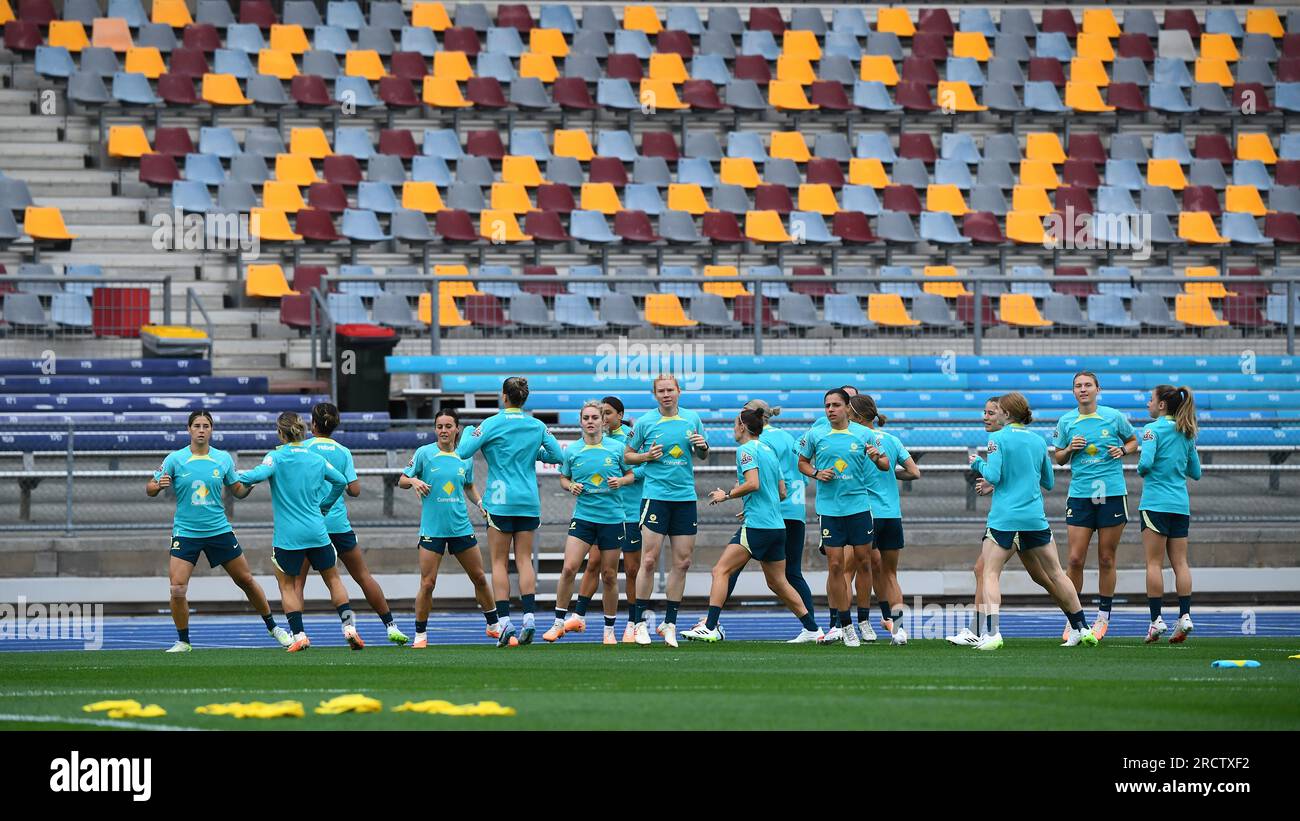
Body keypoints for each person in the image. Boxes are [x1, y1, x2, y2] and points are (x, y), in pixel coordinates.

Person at [146, 410, 291, 653]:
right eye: (197, 425)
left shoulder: (223, 459)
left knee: (245, 580)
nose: (201, 430)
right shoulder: (175, 459)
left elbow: (237, 490)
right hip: (186, 533)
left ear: (212, 430)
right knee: (177, 587)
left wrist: (251, 484)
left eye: (206, 425)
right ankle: (183, 641)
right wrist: (156, 486)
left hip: (218, 530)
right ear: (189, 429)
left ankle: (274, 627)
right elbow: (149, 488)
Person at [967, 393, 1098, 651]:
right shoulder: (1038, 440)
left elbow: (992, 474)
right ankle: (1082, 627)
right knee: (1057, 574)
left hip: (1005, 518)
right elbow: (1048, 481)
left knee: (990, 573)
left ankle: (992, 634)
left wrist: (978, 464)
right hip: (1035, 517)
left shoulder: (997, 439)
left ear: (1006, 413)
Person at [682, 408, 823, 643]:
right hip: (777, 526)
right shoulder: (769, 451)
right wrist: (757, 505)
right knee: (778, 582)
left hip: (757, 525)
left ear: (743, 427)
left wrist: (726, 495)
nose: (733, 429)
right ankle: (813, 629)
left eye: (734, 425)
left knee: (720, 571)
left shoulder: (745, 450)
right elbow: (782, 490)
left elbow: (753, 483)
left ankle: (709, 626)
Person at [236, 412, 360, 653]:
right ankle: (349, 629)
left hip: (288, 536)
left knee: (288, 586)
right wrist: (325, 505)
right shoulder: (315, 458)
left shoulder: (276, 457)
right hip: (317, 530)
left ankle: (299, 634)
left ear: (280, 432)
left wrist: (232, 476)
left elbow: (257, 475)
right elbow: (341, 481)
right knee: (333, 579)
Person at [456, 377, 565, 647]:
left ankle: (504, 622)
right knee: (525, 559)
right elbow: (556, 457)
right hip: (527, 498)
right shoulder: (536, 425)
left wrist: (470, 429)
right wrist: (533, 454)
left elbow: (463, 451)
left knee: (499, 562)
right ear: (524, 398)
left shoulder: (492, 423)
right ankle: (529, 616)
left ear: (504, 396)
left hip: (500, 499)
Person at [300, 403, 408, 645]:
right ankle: (391, 626)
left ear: (313, 424)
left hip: (310, 524)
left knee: (298, 581)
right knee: (363, 576)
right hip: (338, 524)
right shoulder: (343, 451)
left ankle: (300, 634)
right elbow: (355, 490)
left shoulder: (302, 449)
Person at [399, 408, 499, 649]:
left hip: (461, 528)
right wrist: (413, 480)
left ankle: (493, 625)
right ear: (435, 429)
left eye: (448, 426)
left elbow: (469, 485)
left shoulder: (465, 456)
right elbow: (402, 479)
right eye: (439, 426)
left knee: (479, 577)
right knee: (427, 583)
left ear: (457, 429)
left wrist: (480, 503)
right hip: (432, 529)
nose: (443, 430)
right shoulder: (424, 453)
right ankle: (421, 634)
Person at [798, 388, 890, 647]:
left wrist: (876, 458)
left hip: (859, 507)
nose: (830, 409)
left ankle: (864, 620)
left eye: (836, 405)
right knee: (836, 566)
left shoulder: (864, 434)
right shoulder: (816, 434)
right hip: (830, 510)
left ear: (847, 408)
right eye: (827, 405)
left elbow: (884, 464)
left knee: (863, 562)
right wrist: (816, 473)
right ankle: (845, 624)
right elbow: (802, 463)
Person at [624, 374, 710, 648]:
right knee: (649, 560)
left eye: (670, 390)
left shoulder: (692, 418)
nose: (666, 394)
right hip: (656, 497)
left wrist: (702, 447)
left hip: (684, 497)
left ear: (679, 391)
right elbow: (627, 455)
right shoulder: (646, 422)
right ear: (655, 394)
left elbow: (703, 454)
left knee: (683, 562)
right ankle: (638, 623)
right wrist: (646, 457)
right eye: (660, 391)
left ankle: (669, 623)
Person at [1052, 372, 1137, 640]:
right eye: (1078, 386)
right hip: (1080, 495)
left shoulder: (1113, 417)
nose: (1083, 389)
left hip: (1111, 493)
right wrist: (1069, 449)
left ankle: (1103, 617)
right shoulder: (1066, 421)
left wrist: (1123, 450)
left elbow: (1134, 441)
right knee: (1075, 559)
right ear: (1073, 391)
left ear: (1098, 389)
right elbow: (1059, 458)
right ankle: (1074, 620)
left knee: (1106, 558)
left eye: (1088, 385)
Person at [544, 401, 635, 645]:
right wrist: (570, 486)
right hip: (583, 517)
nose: (591, 421)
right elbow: (563, 477)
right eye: (586, 418)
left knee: (609, 576)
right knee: (569, 568)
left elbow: (632, 473)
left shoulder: (617, 448)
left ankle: (608, 631)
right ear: (581, 421)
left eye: (595, 417)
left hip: (613, 519)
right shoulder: (573, 451)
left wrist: (622, 482)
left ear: (603, 421)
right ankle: (558, 623)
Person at [847, 394, 920, 646]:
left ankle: (846, 624)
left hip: (865, 514)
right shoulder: (891, 440)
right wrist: (890, 475)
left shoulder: (854, 440)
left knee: (854, 570)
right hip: (892, 514)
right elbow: (914, 472)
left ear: (855, 416)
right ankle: (899, 629)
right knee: (890, 575)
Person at [1137, 385, 1202, 644]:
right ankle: (1184, 616)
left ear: (1162, 405)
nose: (1147, 404)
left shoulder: (1152, 430)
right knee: (1181, 564)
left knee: (1154, 563)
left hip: (1155, 503)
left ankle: (1156, 621)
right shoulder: (1186, 432)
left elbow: (1145, 464)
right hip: (1179, 505)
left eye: (1150, 400)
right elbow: (1195, 472)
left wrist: (1144, 470)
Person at [947, 397, 1004, 646]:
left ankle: (987, 632)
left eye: (991, 413)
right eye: (984, 412)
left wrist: (982, 468)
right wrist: (993, 485)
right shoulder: (1010, 440)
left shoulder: (1000, 441)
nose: (985, 416)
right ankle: (977, 629)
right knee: (982, 570)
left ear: (1006, 415)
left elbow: (1034, 477)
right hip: (1013, 518)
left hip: (1013, 520)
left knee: (1050, 576)